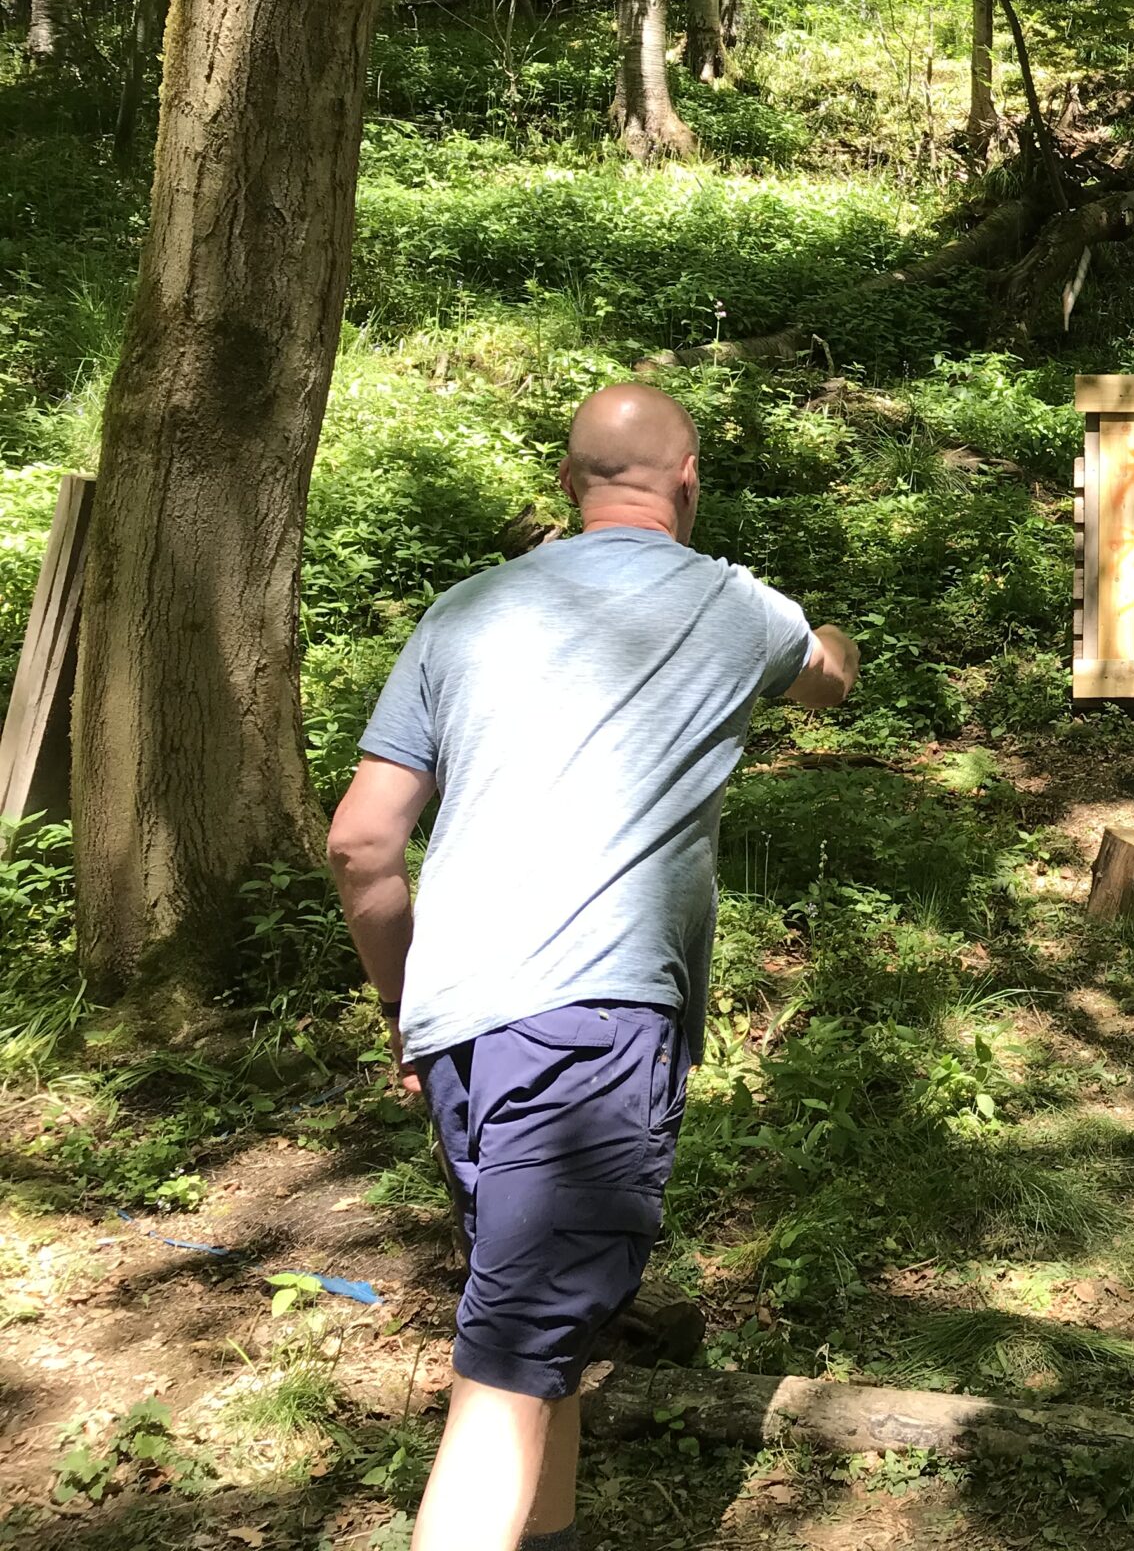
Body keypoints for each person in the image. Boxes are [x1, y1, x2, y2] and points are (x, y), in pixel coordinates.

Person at [327, 383, 856, 1551]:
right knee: (511, 1363)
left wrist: (405, 1008)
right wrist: (832, 634)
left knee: (535, 1330)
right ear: (690, 478)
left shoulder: (460, 615)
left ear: (569, 484)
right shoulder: (736, 606)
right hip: (595, 1024)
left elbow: (363, 842)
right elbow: (828, 677)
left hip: (461, 1020)